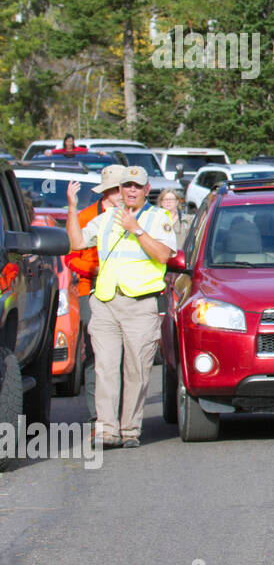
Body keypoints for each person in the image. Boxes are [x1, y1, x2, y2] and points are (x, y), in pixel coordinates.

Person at [65, 166, 176, 449]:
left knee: (136, 369)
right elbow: (76, 242)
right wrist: (71, 208)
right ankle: (106, 430)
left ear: (146, 190)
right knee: (105, 367)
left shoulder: (157, 218)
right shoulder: (105, 219)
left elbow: (164, 254)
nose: (130, 191)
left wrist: (136, 230)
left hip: (140, 304)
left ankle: (129, 429)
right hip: (105, 301)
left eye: (136, 186)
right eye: (126, 186)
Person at [66, 168, 124, 423]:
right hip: (90, 288)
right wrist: (96, 269)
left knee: (125, 351)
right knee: (95, 351)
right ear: (108, 192)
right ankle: (96, 415)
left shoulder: (136, 217)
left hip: (126, 289)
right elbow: (70, 256)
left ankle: (121, 411)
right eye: (119, 188)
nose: (124, 193)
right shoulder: (87, 217)